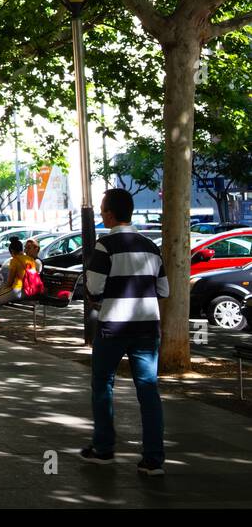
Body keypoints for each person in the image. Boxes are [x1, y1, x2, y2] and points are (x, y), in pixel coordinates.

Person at [82, 188, 168, 476]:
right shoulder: (150, 246)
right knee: (147, 389)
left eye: (103, 209)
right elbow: (163, 289)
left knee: (103, 384)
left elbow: (94, 287)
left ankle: (104, 448)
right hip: (147, 329)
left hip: (113, 327)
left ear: (109, 213)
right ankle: (153, 458)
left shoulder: (105, 246)